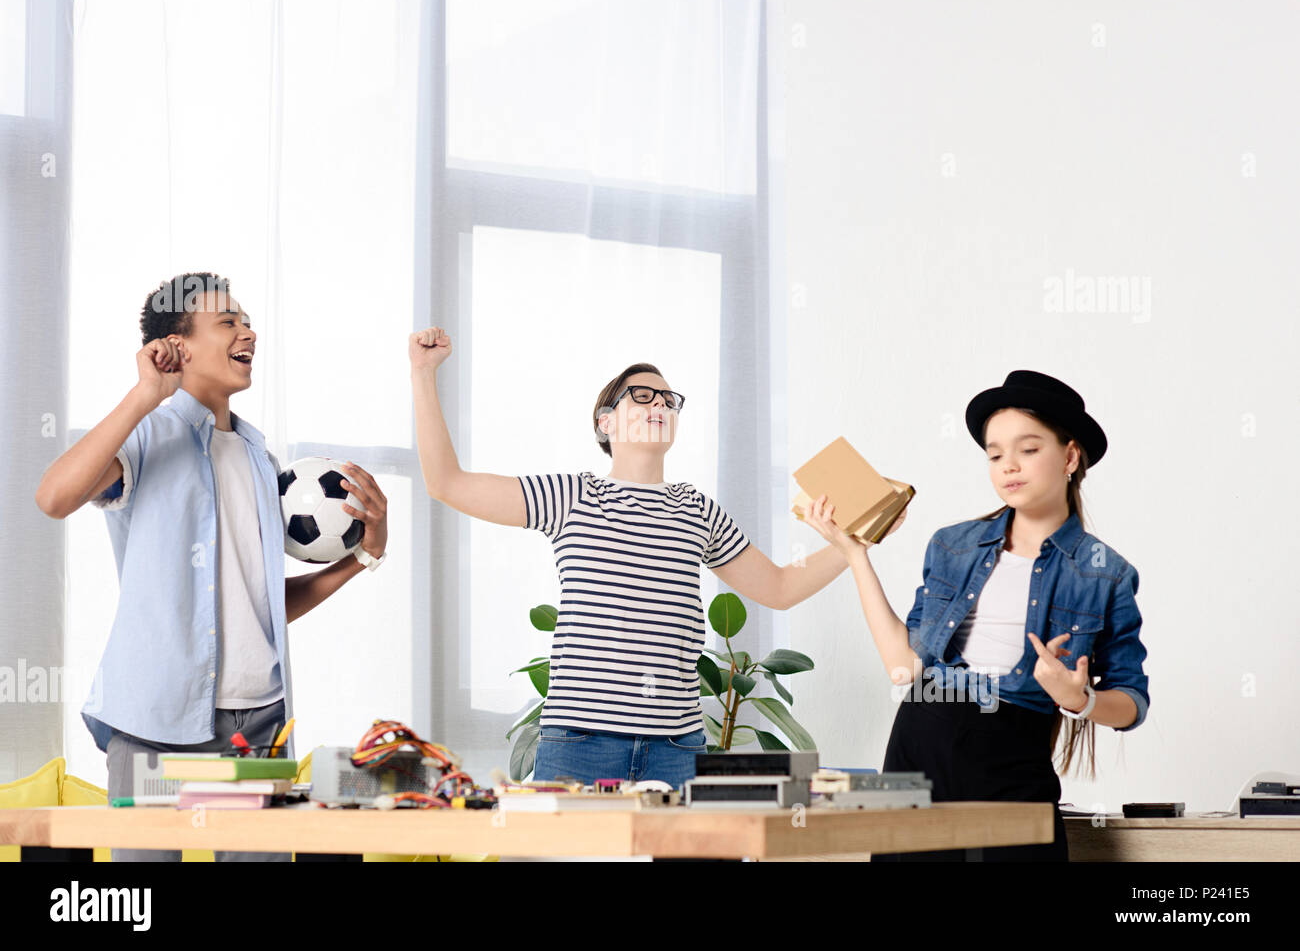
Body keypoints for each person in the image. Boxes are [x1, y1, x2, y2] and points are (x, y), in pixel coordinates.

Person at [35, 273, 390, 861]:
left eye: (247, 321)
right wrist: (145, 393)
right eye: (229, 322)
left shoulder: (260, 460)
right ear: (179, 344)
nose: (249, 332)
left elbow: (264, 605)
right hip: (153, 727)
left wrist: (363, 556)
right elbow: (54, 497)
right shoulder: (146, 435)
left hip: (256, 729)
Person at [410, 327, 855, 789]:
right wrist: (423, 374)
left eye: (668, 399)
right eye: (643, 396)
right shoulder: (571, 495)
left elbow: (779, 588)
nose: (660, 405)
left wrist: (851, 545)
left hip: (677, 748)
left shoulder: (696, 508)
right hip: (580, 742)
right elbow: (446, 482)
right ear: (606, 422)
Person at [802, 370, 1149, 861]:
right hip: (919, 752)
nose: (1009, 466)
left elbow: (1133, 702)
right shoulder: (951, 545)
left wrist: (1080, 699)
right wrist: (856, 555)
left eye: (1028, 450)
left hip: (1012, 763)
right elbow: (905, 669)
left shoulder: (1107, 575)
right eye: (995, 454)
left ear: (1070, 456)